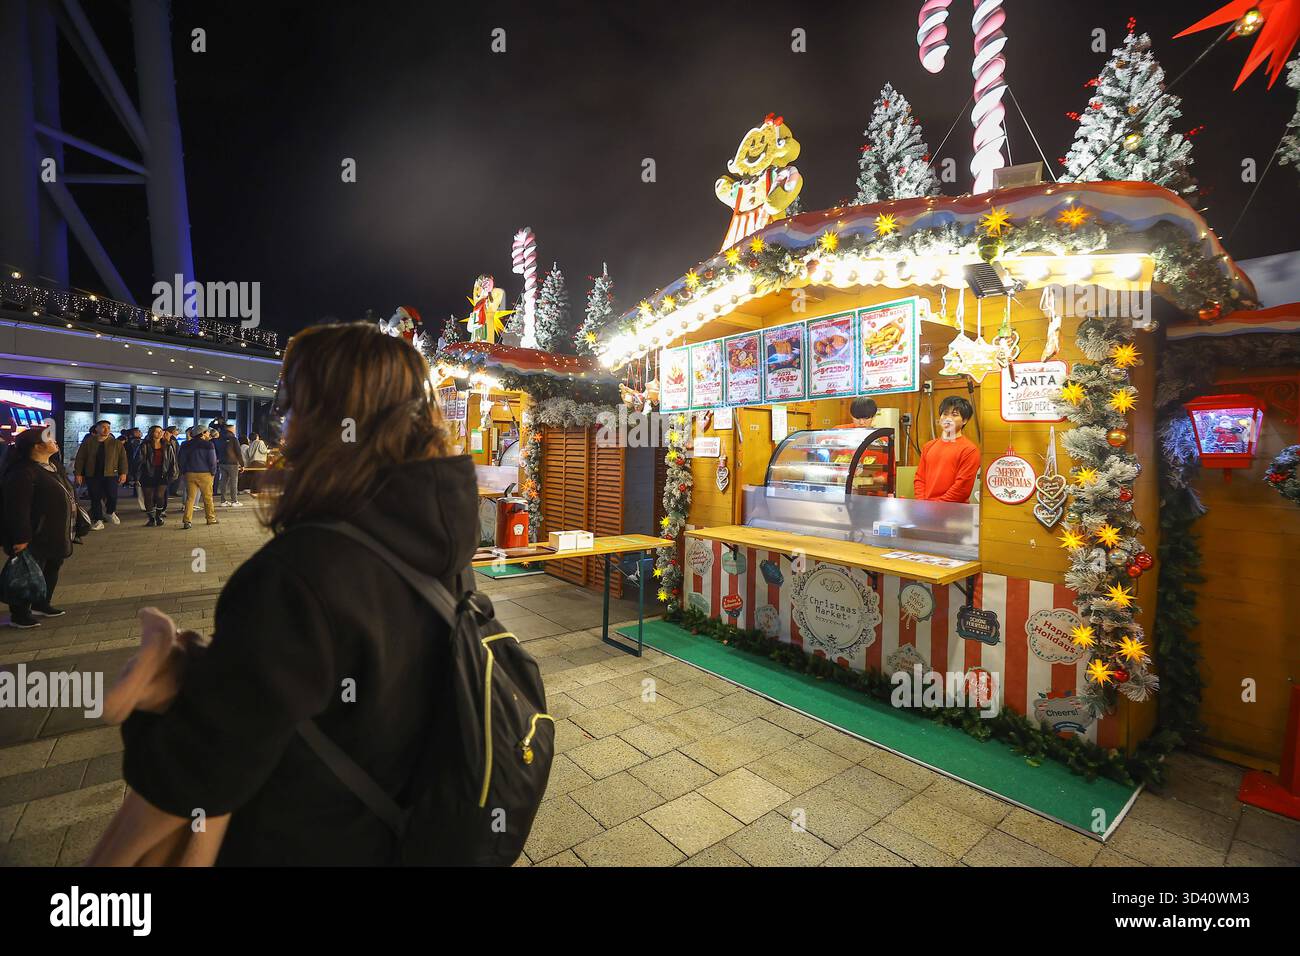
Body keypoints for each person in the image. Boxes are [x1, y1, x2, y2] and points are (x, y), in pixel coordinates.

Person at [101, 321, 477, 865]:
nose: (286, 424)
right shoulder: (440, 543)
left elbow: (195, 775)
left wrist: (164, 682)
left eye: (294, 403)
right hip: (393, 834)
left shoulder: (297, 576)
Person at [2, 425, 75, 628]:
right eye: (50, 439)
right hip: (35, 533)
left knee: (52, 565)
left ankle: (42, 603)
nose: (55, 441)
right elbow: (17, 508)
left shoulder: (53, 466)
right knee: (27, 572)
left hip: (56, 531)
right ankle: (19, 613)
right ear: (37, 446)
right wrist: (21, 537)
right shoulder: (23, 472)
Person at [913, 396, 980, 502]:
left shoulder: (969, 450)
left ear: (965, 420)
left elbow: (962, 488)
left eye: (954, 415)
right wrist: (923, 503)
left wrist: (938, 507)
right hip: (926, 510)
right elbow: (919, 478)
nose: (948, 418)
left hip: (954, 512)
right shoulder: (928, 446)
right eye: (945, 414)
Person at [73, 420, 127, 529]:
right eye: (103, 427)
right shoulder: (88, 442)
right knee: (95, 497)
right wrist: (78, 473)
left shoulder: (115, 443)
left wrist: (123, 473)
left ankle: (110, 511)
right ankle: (98, 520)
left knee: (112, 495)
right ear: (96, 429)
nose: (106, 429)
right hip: (92, 474)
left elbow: (122, 459)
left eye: (108, 427)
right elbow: (80, 458)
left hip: (111, 473)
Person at [138, 425, 180, 526]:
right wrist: (136, 476)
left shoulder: (167, 445)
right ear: (152, 433)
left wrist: (174, 473)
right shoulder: (145, 445)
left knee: (159, 496)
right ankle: (151, 518)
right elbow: (139, 461)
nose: (160, 433)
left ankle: (158, 515)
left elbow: (172, 460)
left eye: (161, 431)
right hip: (147, 473)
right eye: (157, 432)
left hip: (162, 473)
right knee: (148, 497)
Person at [178, 425, 219, 530]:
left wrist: (183, 471)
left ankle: (187, 521)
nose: (209, 434)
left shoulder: (185, 444)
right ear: (203, 433)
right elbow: (212, 461)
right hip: (205, 474)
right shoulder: (209, 445)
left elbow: (181, 460)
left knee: (190, 498)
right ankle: (210, 518)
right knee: (208, 497)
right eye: (207, 432)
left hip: (189, 474)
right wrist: (213, 472)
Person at [215, 423, 243, 508]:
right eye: (234, 428)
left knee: (223, 482)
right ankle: (234, 501)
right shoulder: (233, 439)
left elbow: (216, 450)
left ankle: (223, 501)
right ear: (230, 429)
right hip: (232, 463)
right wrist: (242, 464)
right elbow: (238, 452)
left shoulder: (219, 439)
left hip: (222, 463)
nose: (235, 429)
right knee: (233, 482)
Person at [124, 427, 144, 493]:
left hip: (134, 462)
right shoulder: (136, 442)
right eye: (137, 431)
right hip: (136, 462)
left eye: (139, 431)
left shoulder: (129, 442)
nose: (140, 432)